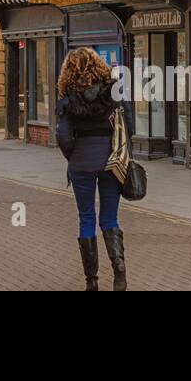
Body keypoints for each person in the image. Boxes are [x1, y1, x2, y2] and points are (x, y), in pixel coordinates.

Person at [55, 47, 131, 291]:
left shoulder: (68, 100)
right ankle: (118, 266)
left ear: (68, 72)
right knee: (109, 218)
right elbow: (128, 124)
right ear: (98, 65)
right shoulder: (113, 92)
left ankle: (92, 281)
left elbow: (62, 136)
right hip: (111, 162)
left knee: (86, 217)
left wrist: (74, 155)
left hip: (81, 164)